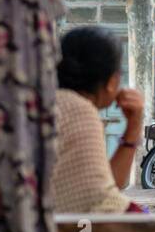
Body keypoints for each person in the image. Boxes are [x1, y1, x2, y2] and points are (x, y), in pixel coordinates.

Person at [53, 25, 148, 213]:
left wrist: (133, 125)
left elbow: (109, 183)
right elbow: (97, 200)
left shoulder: (56, 102)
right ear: (112, 81)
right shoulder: (78, 111)